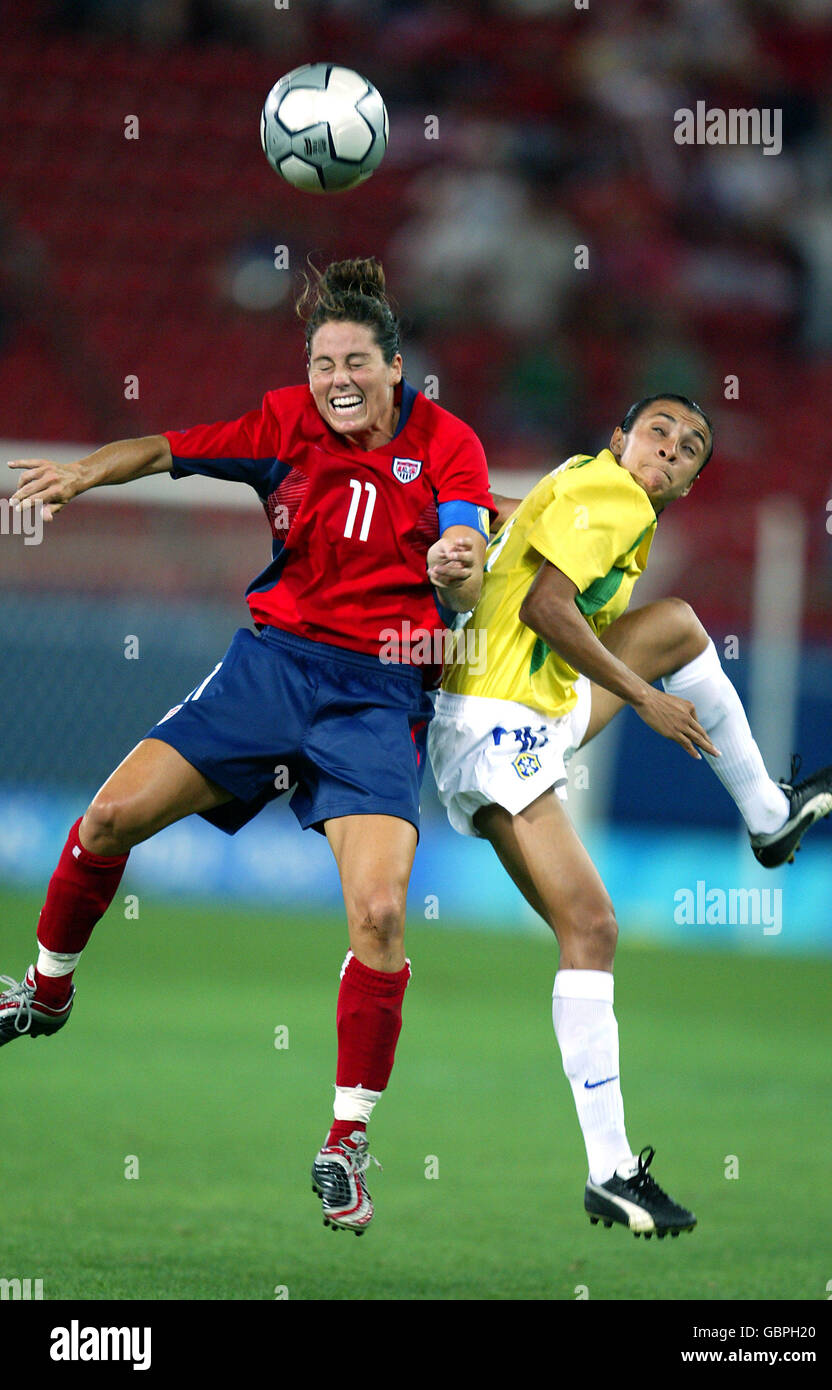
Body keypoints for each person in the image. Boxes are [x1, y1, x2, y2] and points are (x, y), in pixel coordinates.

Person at [0, 257, 493, 1236]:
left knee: (383, 914)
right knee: (106, 817)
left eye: (355, 359)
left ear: (397, 368)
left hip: (376, 696)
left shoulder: (448, 445)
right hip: (267, 675)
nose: (337, 376)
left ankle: (345, 1142)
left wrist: (456, 565)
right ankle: (46, 990)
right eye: (322, 361)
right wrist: (80, 476)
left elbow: (467, 563)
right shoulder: (282, 424)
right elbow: (164, 448)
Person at [428, 393, 832, 1239]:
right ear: (619, 437)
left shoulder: (582, 484)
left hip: (513, 718)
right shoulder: (614, 496)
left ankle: (769, 816)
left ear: (690, 482)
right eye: (658, 431)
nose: (671, 449)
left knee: (676, 627)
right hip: (498, 726)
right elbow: (547, 606)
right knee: (594, 929)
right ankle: (612, 1173)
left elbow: (522, 531)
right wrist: (645, 700)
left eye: (690, 447)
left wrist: (487, 519)